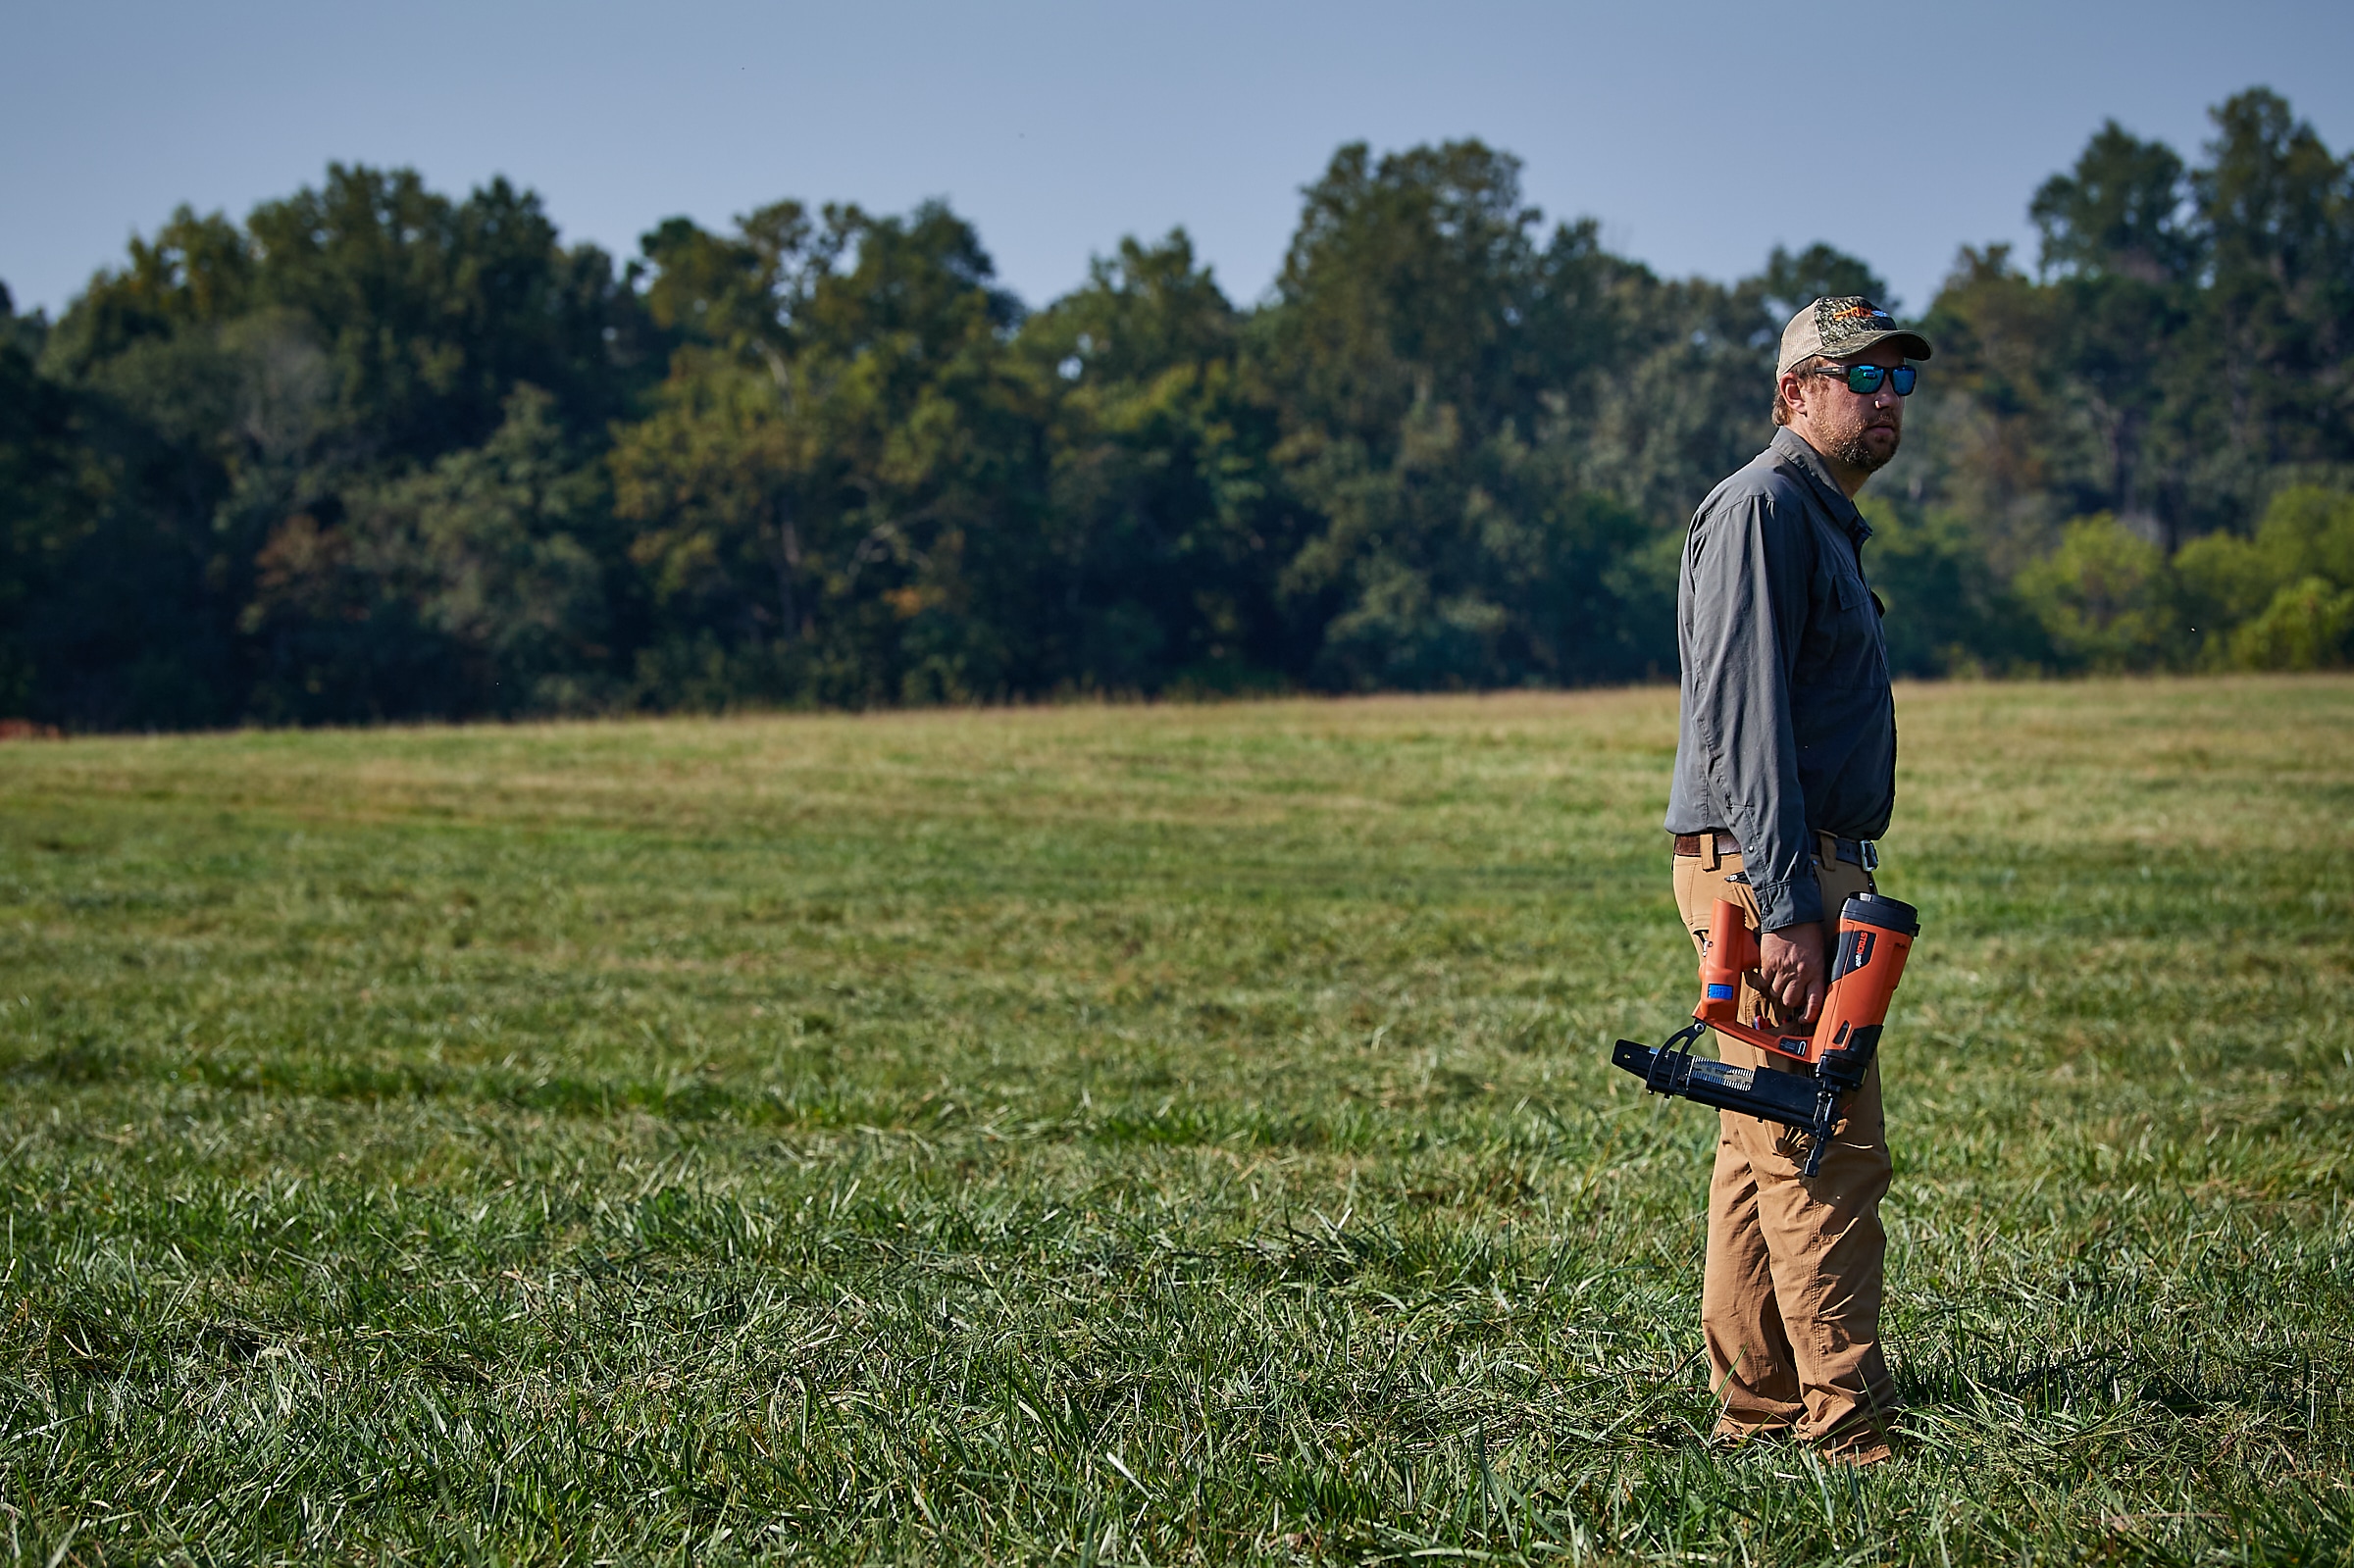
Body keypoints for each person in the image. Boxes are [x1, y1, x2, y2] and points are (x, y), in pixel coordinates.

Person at [1663, 295, 1931, 1465]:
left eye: (1897, 381)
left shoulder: (1814, 518)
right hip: (1775, 866)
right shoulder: (1765, 507)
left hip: (1792, 862)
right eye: (1857, 377)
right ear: (1795, 394)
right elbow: (1747, 725)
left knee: (1760, 1139)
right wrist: (1788, 910)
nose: (1883, 399)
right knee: (1824, 1139)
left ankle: (1760, 1407)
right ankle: (1847, 1431)